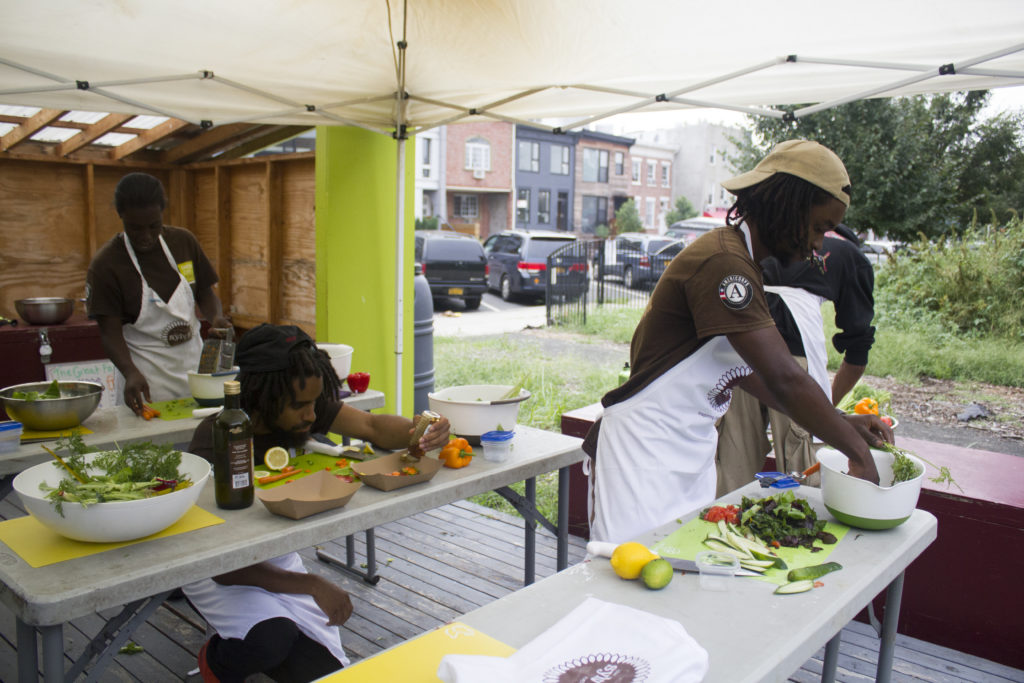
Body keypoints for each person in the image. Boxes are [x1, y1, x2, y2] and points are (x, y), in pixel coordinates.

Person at [583, 140, 891, 545]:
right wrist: (857, 452)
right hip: (643, 452)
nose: (819, 245)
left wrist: (839, 422)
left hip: (683, 448)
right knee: (629, 584)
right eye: (817, 227)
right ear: (788, 206)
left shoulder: (742, 262)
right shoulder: (725, 263)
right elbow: (785, 377)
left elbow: (750, 374)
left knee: (674, 576)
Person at [185, 323, 451, 682]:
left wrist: (418, 432)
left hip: (273, 555)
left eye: (315, 402)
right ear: (263, 396)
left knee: (325, 675)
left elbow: (372, 428)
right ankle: (215, 660)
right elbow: (222, 565)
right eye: (300, 405)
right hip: (216, 568)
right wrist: (311, 583)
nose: (312, 415)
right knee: (271, 640)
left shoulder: (299, 413)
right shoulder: (218, 438)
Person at [715, 224, 876, 494]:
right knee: (804, 473)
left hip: (740, 356)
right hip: (793, 363)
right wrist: (822, 412)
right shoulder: (849, 257)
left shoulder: (755, 239)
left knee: (733, 466)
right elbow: (857, 354)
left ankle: (725, 524)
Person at [86, 172, 231, 415]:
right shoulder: (106, 265)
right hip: (146, 383)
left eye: (154, 226)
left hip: (197, 375)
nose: (146, 236)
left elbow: (205, 292)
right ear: (120, 216)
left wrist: (216, 316)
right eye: (135, 228)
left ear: (162, 213)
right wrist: (130, 372)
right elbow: (109, 333)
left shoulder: (183, 242)